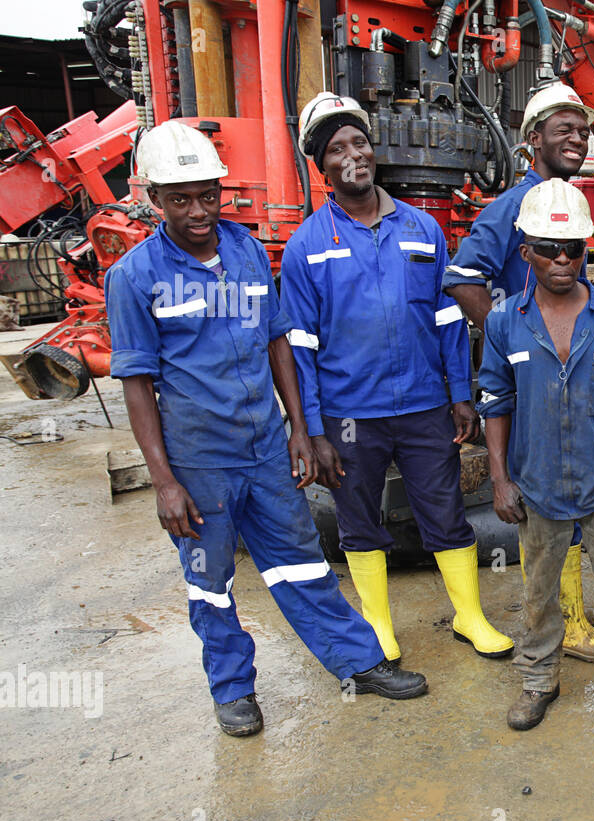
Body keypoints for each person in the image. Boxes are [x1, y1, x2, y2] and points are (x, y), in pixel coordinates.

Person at [106, 121, 426, 737]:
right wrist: (164, 482)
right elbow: (137, 384)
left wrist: (299, 431)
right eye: (180, 200)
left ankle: (358, 663)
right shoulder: (135, 277)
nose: (198, 211)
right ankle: (232, 691)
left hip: (265, 449)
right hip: (199, 462)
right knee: (212, 581)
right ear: (153, 200)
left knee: (302, 563)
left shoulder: (248, 251)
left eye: (207, 195)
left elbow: (279, 340)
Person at [280, 93, 513, 664]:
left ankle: (470, 616)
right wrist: (311, 429)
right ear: (321, 164)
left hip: (424, 405)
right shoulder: (306, 246)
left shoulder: (422, 229)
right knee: (358, 519)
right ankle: (380, 626)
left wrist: (461, 393)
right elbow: (299, 348)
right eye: (337, 148)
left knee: (445, 510)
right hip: (349, 413)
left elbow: (447, 321)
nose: (352, 155)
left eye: (359, 141)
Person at [478, 180, 594, 735]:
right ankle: (539, 679)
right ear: (524, 250)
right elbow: (495, 401)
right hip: (537, 484)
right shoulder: (506, 320)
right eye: (548, 248)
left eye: (574, 248)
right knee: (538, 591)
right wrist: (500, 479)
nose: (563, 259)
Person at [445, 83, 594, 662]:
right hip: (536, 384)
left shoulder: (570, 202)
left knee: (576, 491)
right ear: (532, 139)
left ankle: (571, 614)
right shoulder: (514, 206)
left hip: (575, 375)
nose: (577, 139)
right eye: (563, 129)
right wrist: (513, 337)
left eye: (583, 131)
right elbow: (461, 276)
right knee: (544, 501)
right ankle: (561, 623)